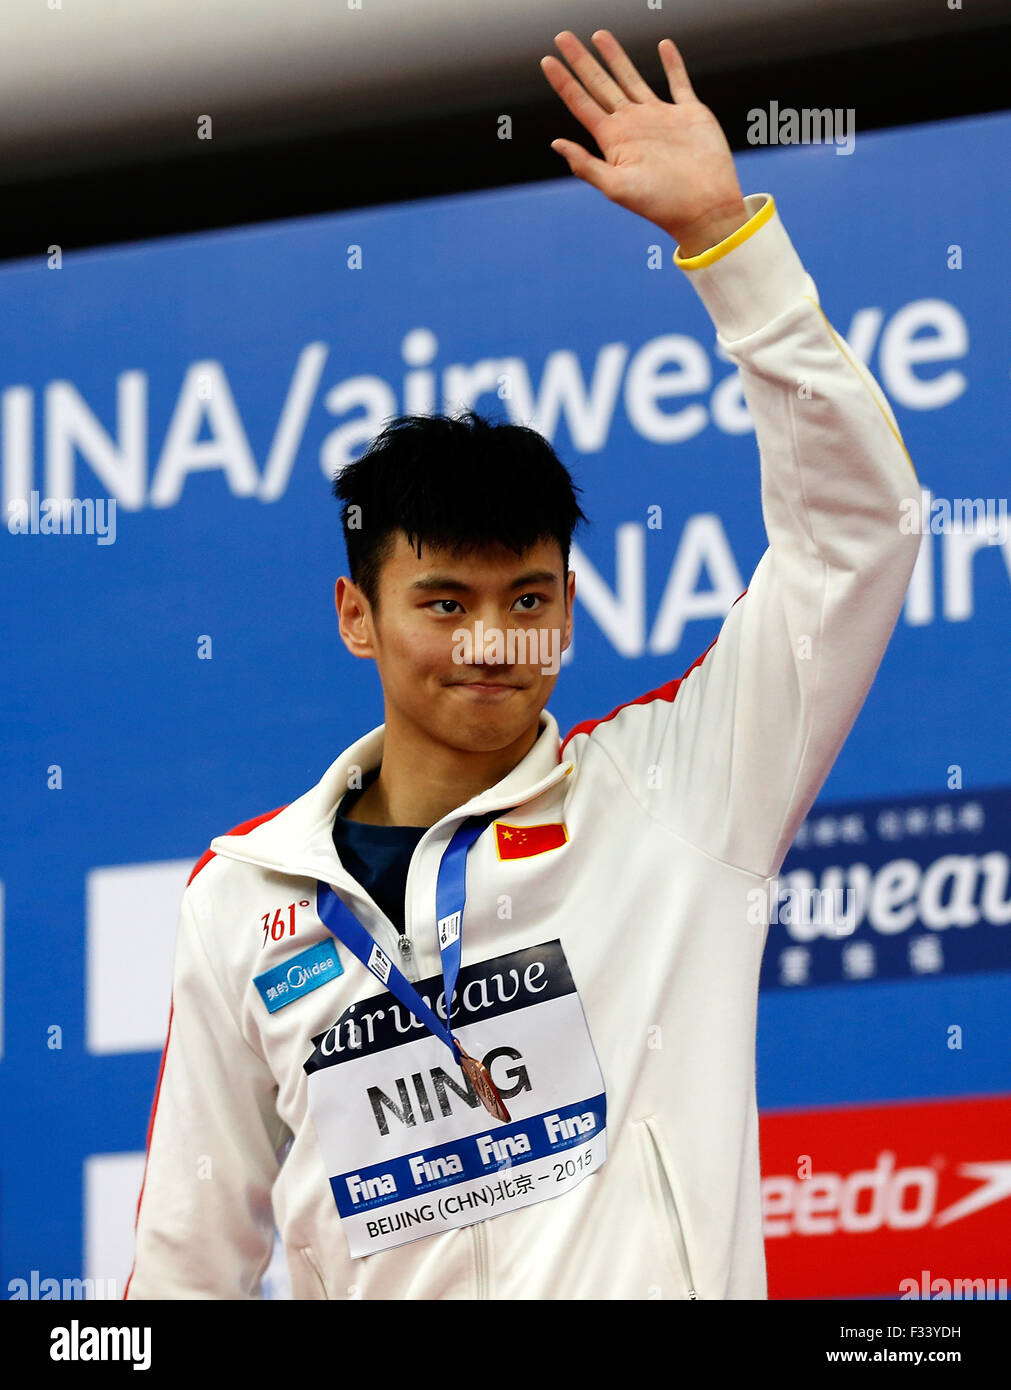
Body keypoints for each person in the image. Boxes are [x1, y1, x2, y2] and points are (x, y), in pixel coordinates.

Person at [125, 29, 920, 1300]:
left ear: (569, 605)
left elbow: (857, 534)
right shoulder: (245, 900)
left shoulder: (677, 790)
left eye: (529, 599)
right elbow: (185, 1267)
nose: (494, 641)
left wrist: (726, 240)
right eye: (445, 602)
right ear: (356, 615)